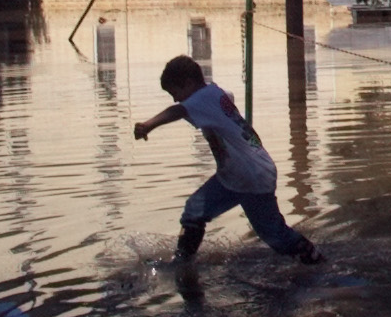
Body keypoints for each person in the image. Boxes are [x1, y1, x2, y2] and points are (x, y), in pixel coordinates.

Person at [133, 55, 322, 264]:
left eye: (175, 92)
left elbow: (176, 111)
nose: (175, 99)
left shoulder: (201, 99)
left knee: (275, 235)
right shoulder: (214, 92)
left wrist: (148, 125)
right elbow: (227, 97)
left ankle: (318, 263)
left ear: (188, 83)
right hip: (235, 175)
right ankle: (183, 264)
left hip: (251, 176)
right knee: (194, 211)